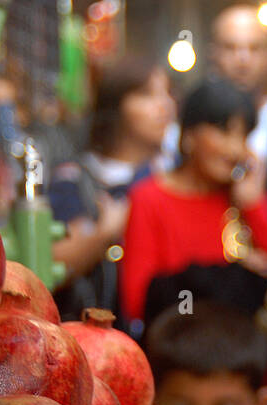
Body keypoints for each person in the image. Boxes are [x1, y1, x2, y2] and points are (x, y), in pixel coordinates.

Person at [121, 78, 267, 327]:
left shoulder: (245, 199)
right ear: (189, 134)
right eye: (225, 132)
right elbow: (137, 303)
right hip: (183, 356)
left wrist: (254, 206)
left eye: (244, 135)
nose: (236, 149)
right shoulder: (149, 198)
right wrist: (236, 276)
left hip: (248, 357)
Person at [46, 58, 176, 320]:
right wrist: (105, 234)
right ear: (116, 105)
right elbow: (54, 265)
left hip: (163, 336)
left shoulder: (174, 176)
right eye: (147, 94)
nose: (165, 106)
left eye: (167, 92)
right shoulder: (73, 178)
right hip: (89, 339)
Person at [208, 4, 267, 170]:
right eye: (230, 47)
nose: (243, 60)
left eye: (254, 48)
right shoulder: (193, 128)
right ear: (213, 55)